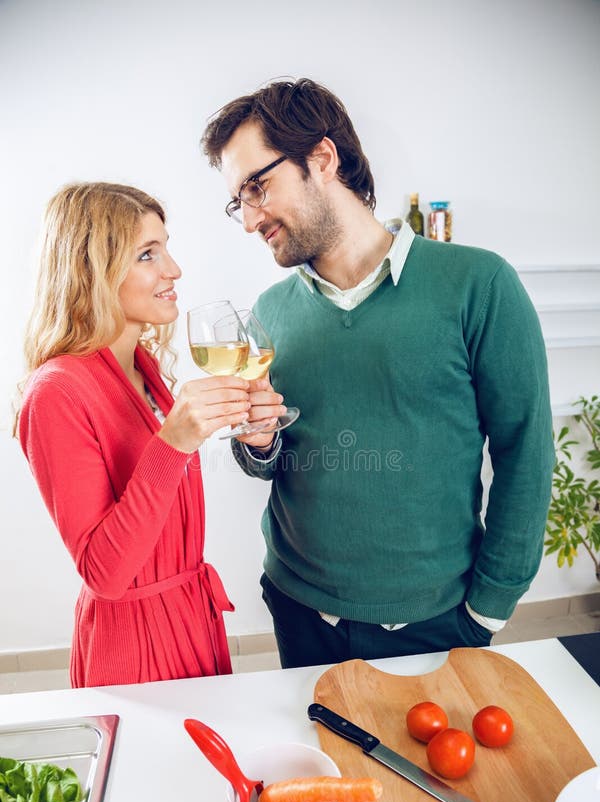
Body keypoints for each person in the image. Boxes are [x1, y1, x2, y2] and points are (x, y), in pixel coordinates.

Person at [201, 77, 555, 670]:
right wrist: (258, 443)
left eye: (258, 187)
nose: (248, 220)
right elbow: (270, 457)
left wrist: (490, 606)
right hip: (299, 609)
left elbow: (526, 449)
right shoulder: (269, 313)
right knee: (324, 766)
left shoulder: (479, 284)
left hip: (437, 621)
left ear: (322, 157)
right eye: (239, 201)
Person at [17, 182, 253, 687]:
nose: (174, 270)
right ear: (92, 271)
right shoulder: (57, 392)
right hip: (134, 649)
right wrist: (172, 445)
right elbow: (105, 574)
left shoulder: (142, 368)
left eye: (166, 247)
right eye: (148, 254)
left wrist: (249, 430)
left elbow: (163, 504)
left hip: (192, 622)